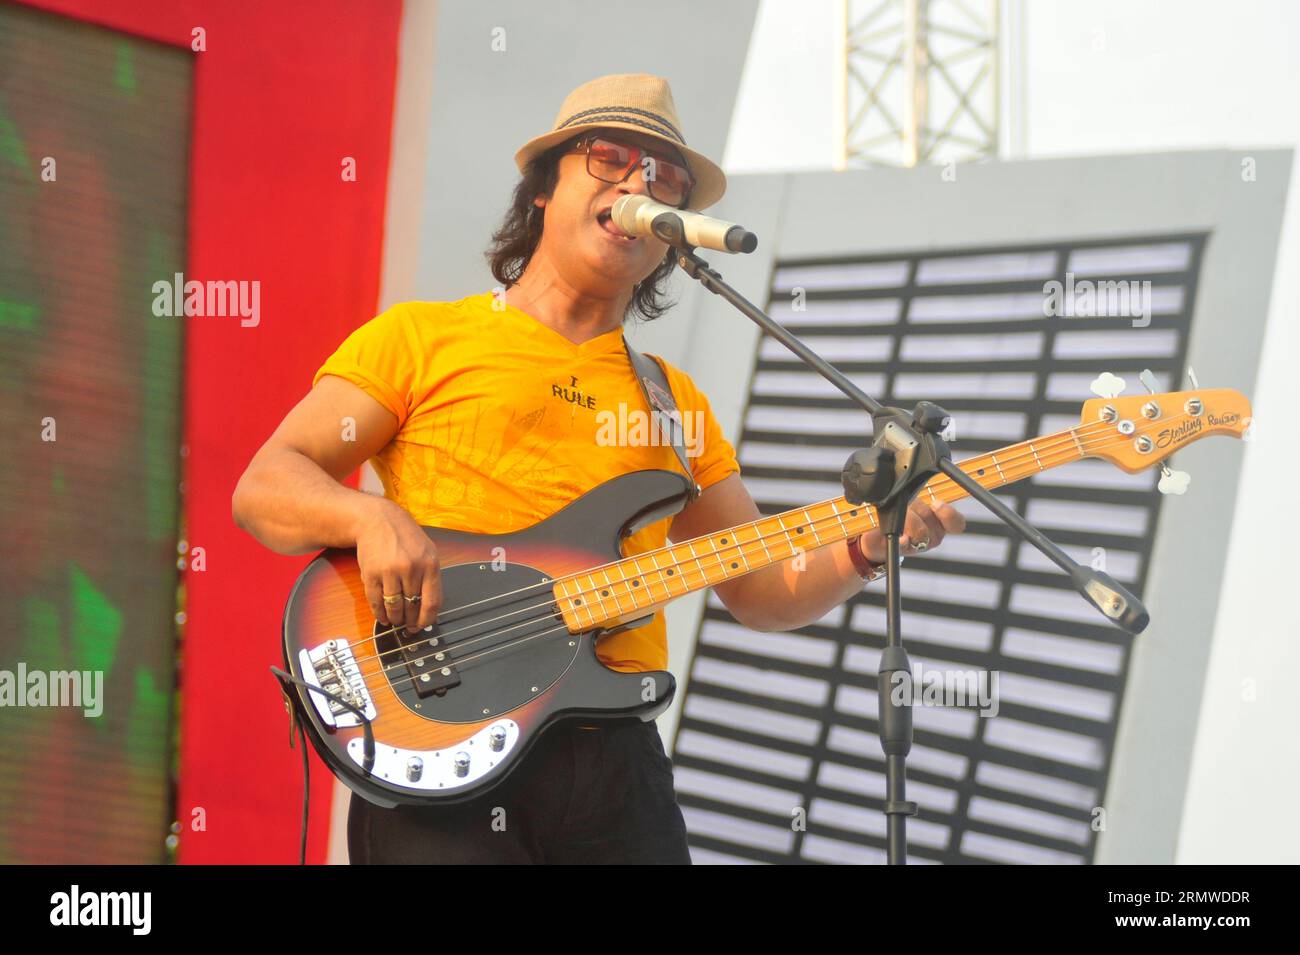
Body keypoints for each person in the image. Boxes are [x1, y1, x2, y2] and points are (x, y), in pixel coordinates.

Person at [231, 73, 966, 864]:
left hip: (615, 764)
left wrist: (867, 543)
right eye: (609, 157)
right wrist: (368, 517)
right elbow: (267, 484)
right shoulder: (420, 337)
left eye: (664, 178)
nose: (636, 185)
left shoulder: (674, 402)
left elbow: (761, 587)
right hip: (444, 734)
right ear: (544, 187)